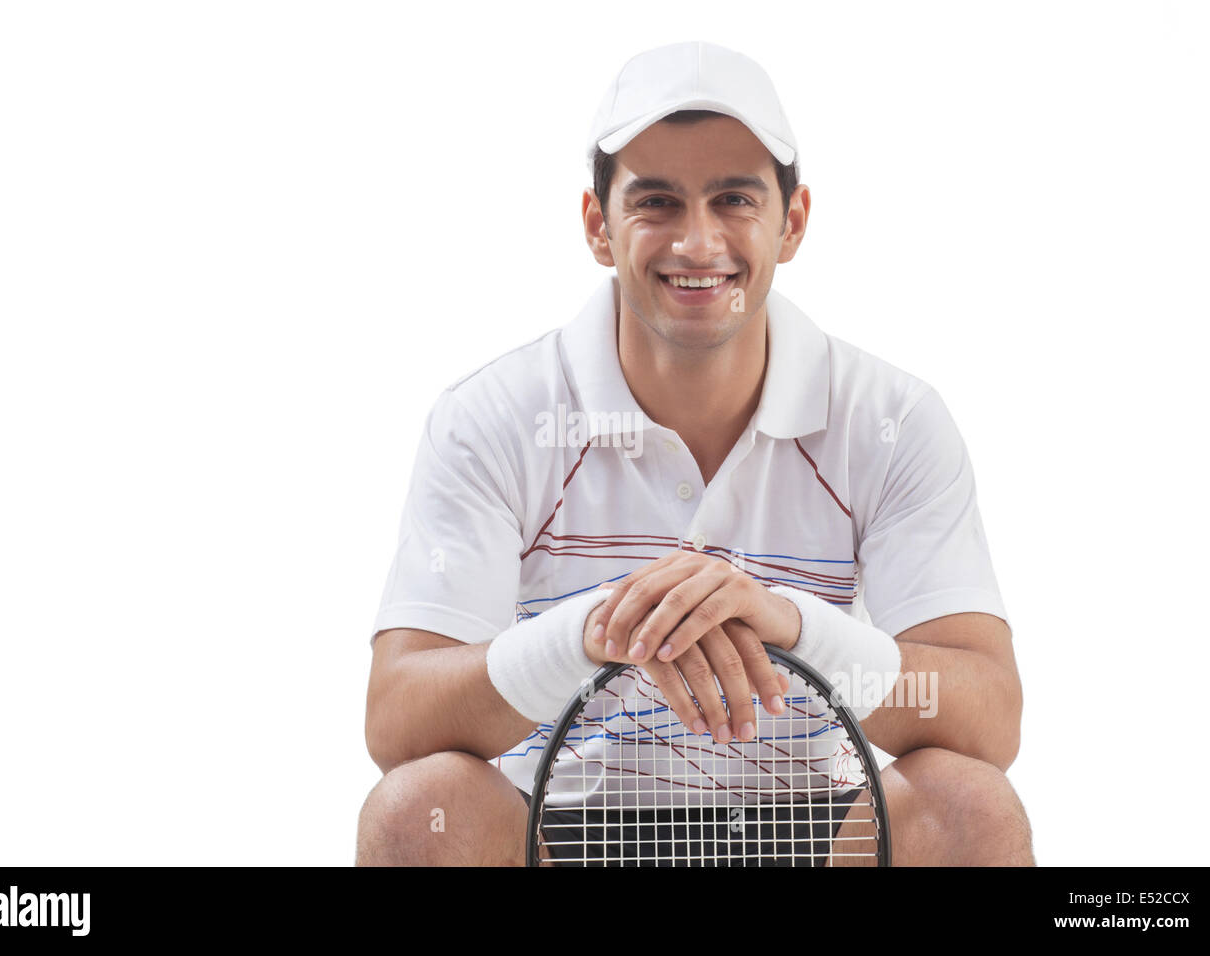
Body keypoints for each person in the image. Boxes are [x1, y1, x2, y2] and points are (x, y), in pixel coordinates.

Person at [356, 41, 1033, 866]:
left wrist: (787, 621)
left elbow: (989, 718)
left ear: (793, 223)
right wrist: (607, 626)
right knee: (416, 810)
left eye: (734, 199)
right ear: (598, 228)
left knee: (969, 807)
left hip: (817, 841)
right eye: (659, 202)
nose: (699, 241)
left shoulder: (894, 418)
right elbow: (395, 719)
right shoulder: (489, 418)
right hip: (566, 839)